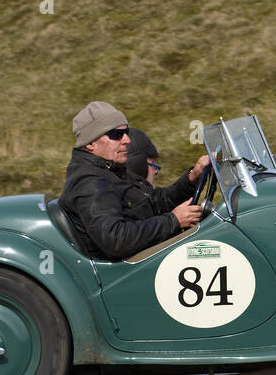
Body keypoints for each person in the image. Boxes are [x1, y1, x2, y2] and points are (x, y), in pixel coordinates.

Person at [59, 101, 209, 260]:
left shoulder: (110, 169)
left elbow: (151, 202)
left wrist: (192, 177)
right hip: (120, 273)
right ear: (90, 143)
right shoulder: (90, 182)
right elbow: (116, 240)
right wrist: (173, 221)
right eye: (116, 135)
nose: (127, 140)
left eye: (126, 132)